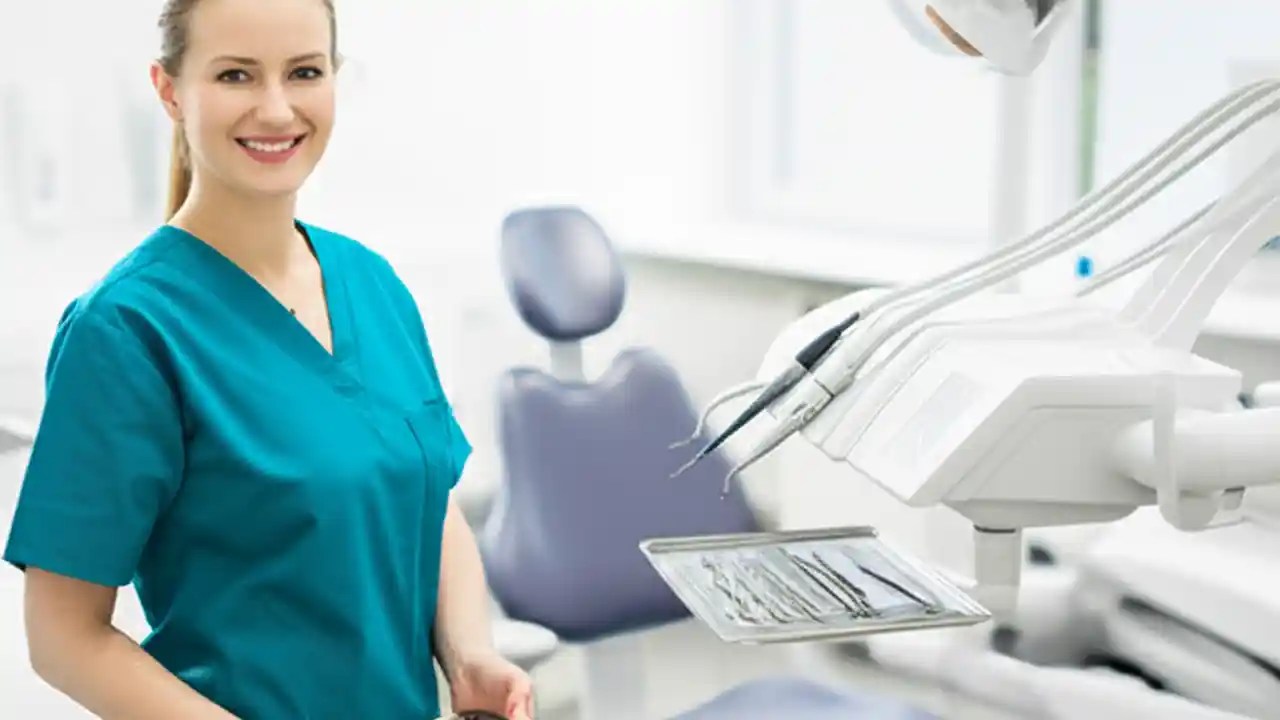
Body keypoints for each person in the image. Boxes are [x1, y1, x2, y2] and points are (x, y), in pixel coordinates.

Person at [3, 0, 534, 717]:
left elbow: (425, 501)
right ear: (169, 91)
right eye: (236, 76)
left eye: (304, 72)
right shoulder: (126, 331)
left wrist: (470, 655)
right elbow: (62, 637)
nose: (277, 109)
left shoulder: (373, 285)